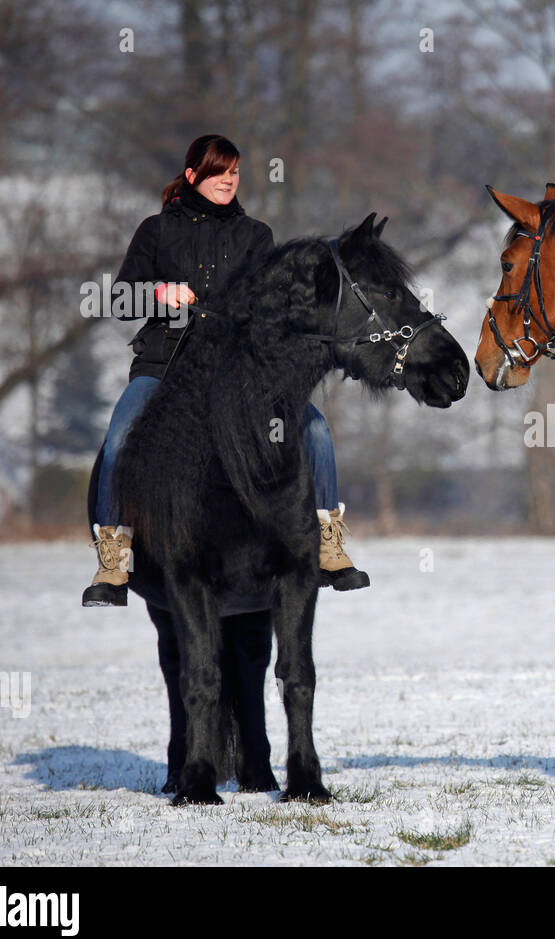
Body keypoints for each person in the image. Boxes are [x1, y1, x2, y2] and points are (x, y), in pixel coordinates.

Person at [83, 134, 367, 606]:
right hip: (165, 366)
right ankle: (114, 558)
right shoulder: (155, 231)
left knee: (315, 428)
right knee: (120, 437)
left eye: (234, 171)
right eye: (218, 172)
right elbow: (118, 299)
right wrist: (160, 294)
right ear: (193, 176)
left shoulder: (256, 236)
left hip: (239, 373)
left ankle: (327, 544)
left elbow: (270, 309)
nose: (228, 180)